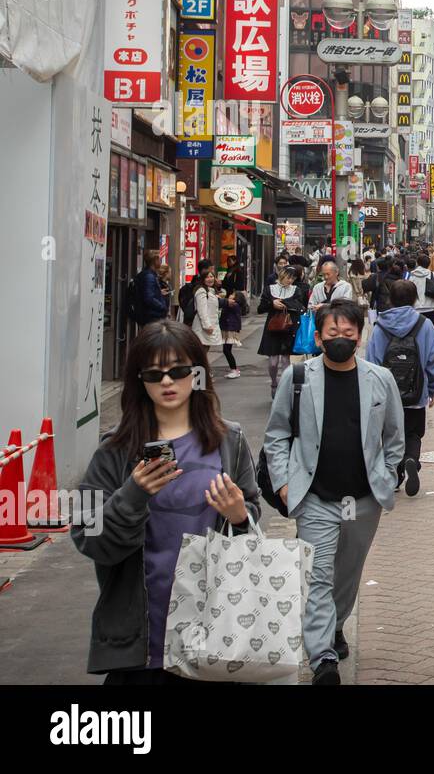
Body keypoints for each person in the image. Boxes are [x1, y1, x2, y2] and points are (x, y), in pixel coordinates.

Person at [71, 320, 260, 682]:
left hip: (215, 634)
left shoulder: (229, 440)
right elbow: (87, 535)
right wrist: (133, 493)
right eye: (155, 374)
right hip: (141, 643)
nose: (168, 382)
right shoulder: (112, 451)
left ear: (198, 374)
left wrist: (239, 517)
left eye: (179, 371)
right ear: (139, 380)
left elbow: (250, 521)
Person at [264, 300, 405, 684]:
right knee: (319, 574)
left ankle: (336, 623)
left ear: (360, 336)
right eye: (332, 334)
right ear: (319, 336)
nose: (340, 340)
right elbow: (276, 434)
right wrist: (283, 481)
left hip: (363, 499)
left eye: (348, 333)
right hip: (315, 497)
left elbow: (395, 435)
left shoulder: (380, 379)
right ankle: (323, 657)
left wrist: (389, 474)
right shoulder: (299, 378)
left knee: (348, 571)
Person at [365, 279, 434, 497]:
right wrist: (433, 387)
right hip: (416, 390)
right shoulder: (424, 325)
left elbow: (371, 361)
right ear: (415, 299)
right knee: (413, 432)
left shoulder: (380, 326)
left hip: (386, 393)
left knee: (389, 433)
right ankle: (412, 458)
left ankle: (396, 474)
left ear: (390, 299)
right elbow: (433, 358)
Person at [258, 263, 305, 397]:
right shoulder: (269, 289)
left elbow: (300, 306)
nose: (290, 280)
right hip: (272, 328)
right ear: (282, 276)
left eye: (293, 278)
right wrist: (272, 304)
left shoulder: (296, 290)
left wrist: (284, 304)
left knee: (286, 360)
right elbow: (260, 308)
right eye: (288, 277)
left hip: (288, 328)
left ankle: (284, 389)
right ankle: (274, 382)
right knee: (273, 362)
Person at [129, 251, 170, 326]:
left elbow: (148, 293)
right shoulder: (149, 276)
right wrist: (162, 307)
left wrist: (159, 293)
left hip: (149, 316)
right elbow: (149, 298)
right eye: (159, 259)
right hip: (152, 316)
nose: (160, 262)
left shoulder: (148, 274)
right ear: (155, 261)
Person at [190, 268, 221, 357]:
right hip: (202, 327)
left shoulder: (211, 290)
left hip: (209, 325)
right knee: (200, 352)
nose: (210, 279)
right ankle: (198, 369)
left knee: (204, 350)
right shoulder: (201, 291)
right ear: (203, 279)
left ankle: (202, 369)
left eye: (211, 276)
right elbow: (202, 310)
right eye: (207, 277)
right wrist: (207, 326)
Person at [217, 279, 244, 378]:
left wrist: (218, 297)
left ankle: (234, 370)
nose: (230, 295)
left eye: (233, 294)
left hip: (230, 329)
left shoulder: (234, 305)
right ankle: (234, 369)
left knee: (227, 350)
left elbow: (223, 303)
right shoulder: (234, 305)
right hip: (228, 328)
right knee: (227, 350)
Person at [408, 253, 434, 326]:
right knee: (429, 330)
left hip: (416, 307)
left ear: (417, 263)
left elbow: (409, 290)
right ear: (428, 264)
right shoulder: (432, 274)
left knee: (417, 330)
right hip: (430, 307)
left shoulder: (412, 276)